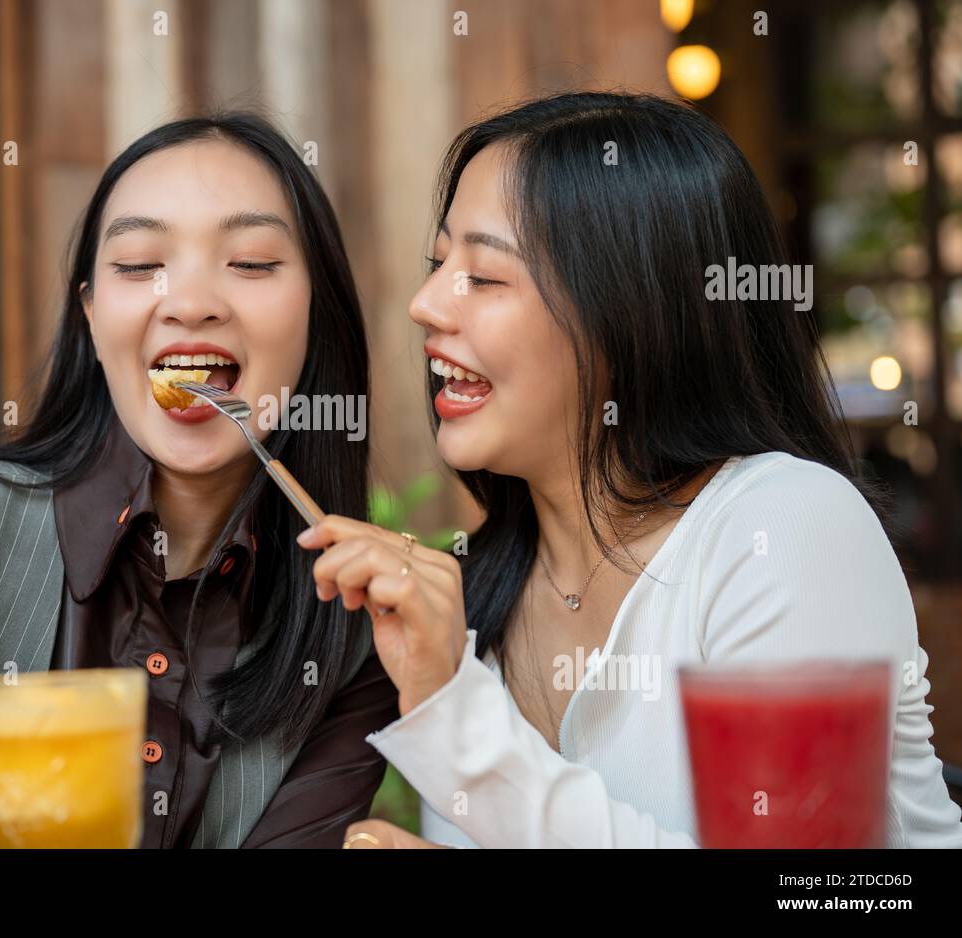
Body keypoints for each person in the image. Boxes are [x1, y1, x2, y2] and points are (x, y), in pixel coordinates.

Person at [303, 92, 962, 849]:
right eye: (438, 263)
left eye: (483, 277)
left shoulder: (783, 526)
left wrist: (453, 712)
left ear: (631, 312)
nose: (425, 305)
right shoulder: (480, 601)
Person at [0, 112, 398, 848]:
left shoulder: (351, 639)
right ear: (91, 316)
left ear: (318, 310)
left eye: (249, 262)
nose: (191, 302)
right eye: (137, 263)